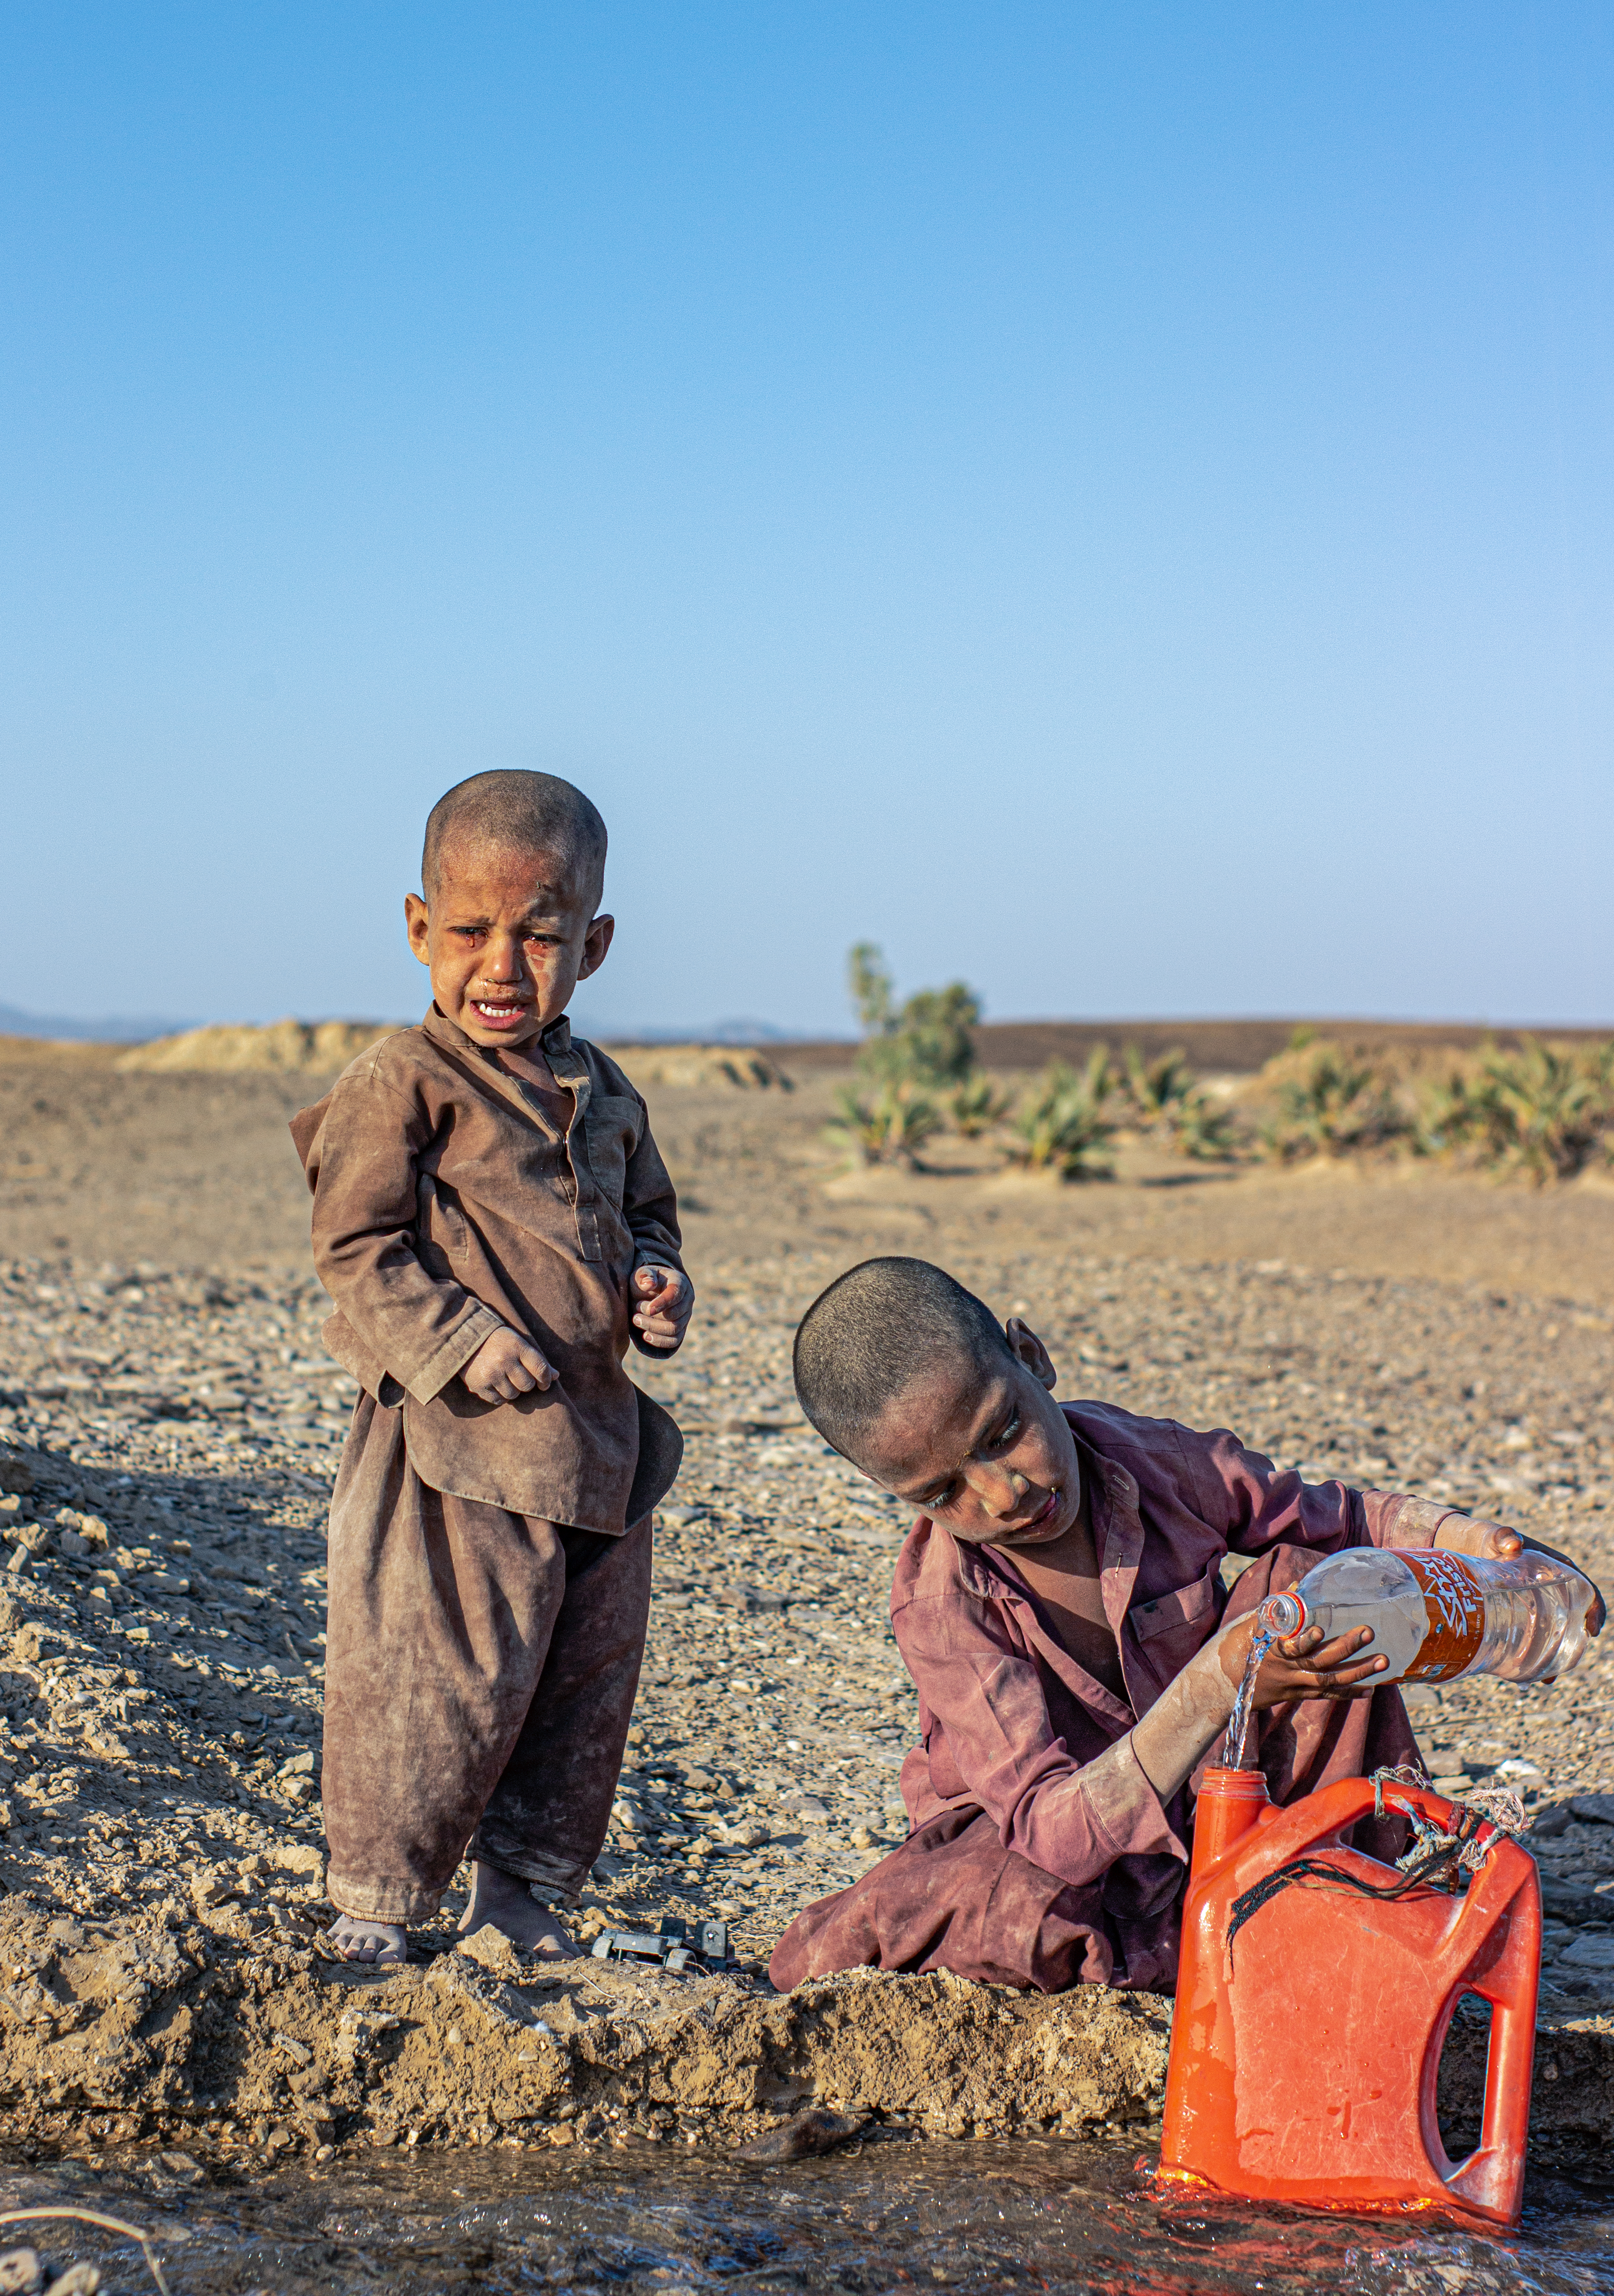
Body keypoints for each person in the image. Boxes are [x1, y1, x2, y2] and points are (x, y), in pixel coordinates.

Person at [770, 1256, 1603, 1995]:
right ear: (896, 1495)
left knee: (1314, 1589)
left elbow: (1337, 1516)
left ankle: (1329, 1885)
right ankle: (1227, 1930)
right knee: (980, 1903)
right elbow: (1055, 1835)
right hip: (1051, 1849)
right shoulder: (946, 1605)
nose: (1000, 1495)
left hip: (1222, 1799)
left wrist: (1481, 1547)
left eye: (1002, 1434)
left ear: (1032, 1359)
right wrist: (1217, 1680)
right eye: (940, 1492)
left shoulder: (1157, 1462)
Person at [289, 769, 693, 1967]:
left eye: (540, 934)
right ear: (419, 929)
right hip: (450, 1455)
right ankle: (379, 1902)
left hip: (594, 1451)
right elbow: (351, 1245)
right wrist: (459, 1341)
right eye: (469, 931)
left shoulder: (606, 1094)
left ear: (595, 945)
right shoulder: (403, 1082)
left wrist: (657, 1287)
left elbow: (650, 1221)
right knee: (435, 1680)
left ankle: (520, 1903)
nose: (501, 965)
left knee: (578, 1690)